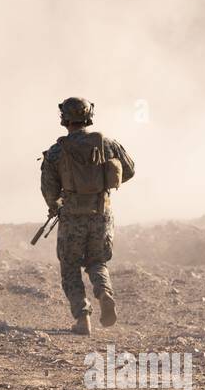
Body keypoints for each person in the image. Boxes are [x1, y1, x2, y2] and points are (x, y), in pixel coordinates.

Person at [40, 97, 136, 335]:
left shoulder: (56, 151)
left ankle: (83, 318)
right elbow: (129, 170)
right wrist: (101, 183)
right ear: (89, 116)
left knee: (70, 266)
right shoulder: (107, 144)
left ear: (65, 118)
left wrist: (56, 204)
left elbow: (49, 189)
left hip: (72, 217)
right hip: (101, 214)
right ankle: (103, 293)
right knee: (97, 261)